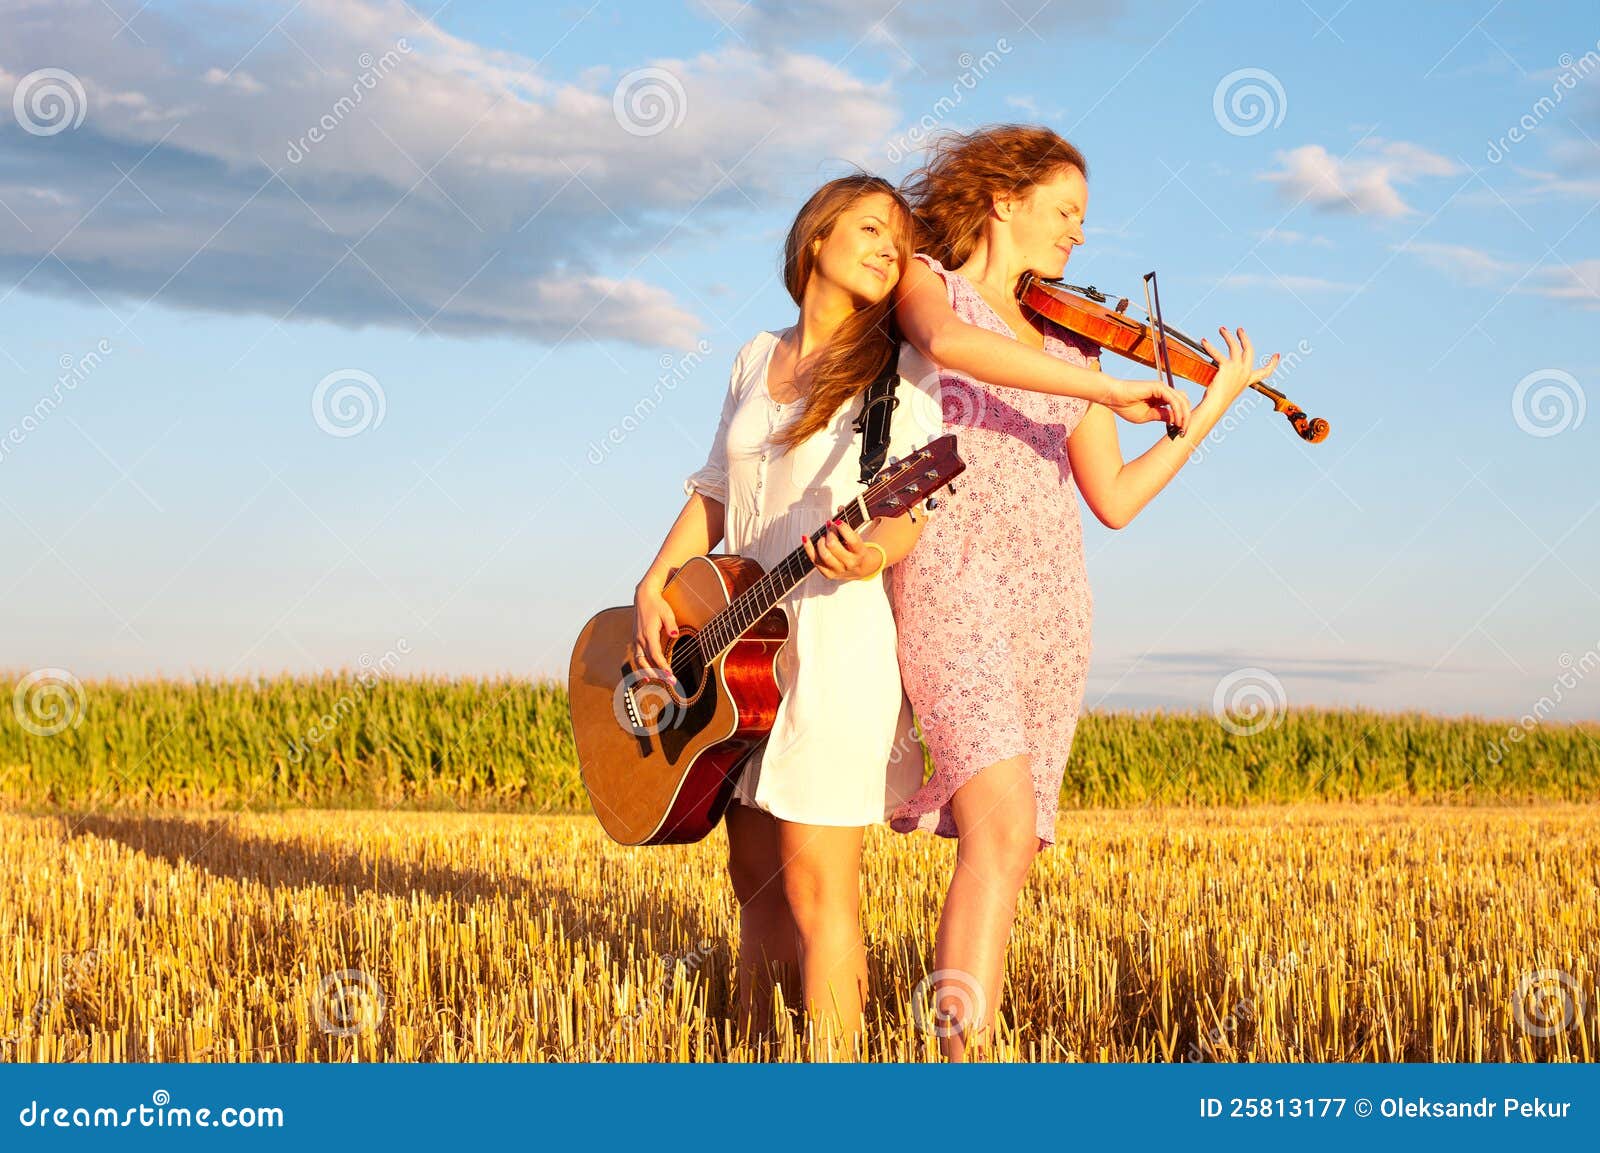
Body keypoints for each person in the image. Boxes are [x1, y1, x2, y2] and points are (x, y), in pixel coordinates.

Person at [887, 125, 1282, 1059]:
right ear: (1002, 200)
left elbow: (1115, 499)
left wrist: (1213, 404)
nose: (1077, 236)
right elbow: (951, 346)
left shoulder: (1078, 346)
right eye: (1065, 212)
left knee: (1013, 843)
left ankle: (960, 1042)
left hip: (1052, 606)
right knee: (1003, 825)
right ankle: (963, 1060)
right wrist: (1099, 390)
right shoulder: (929, 284)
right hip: (951, 577)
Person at [630, 174, 942, 1054]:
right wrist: (656, 582)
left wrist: (871, 551)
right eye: (873, 227)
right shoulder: (752, 358)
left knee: (819, 898)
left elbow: (907, 513)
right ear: (816, 237)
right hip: (737, 655)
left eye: (902, 238)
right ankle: (755, 1065)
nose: (892, 246)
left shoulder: (898, 384)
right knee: (755, 888)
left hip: (834, 651)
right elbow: (715, 490)